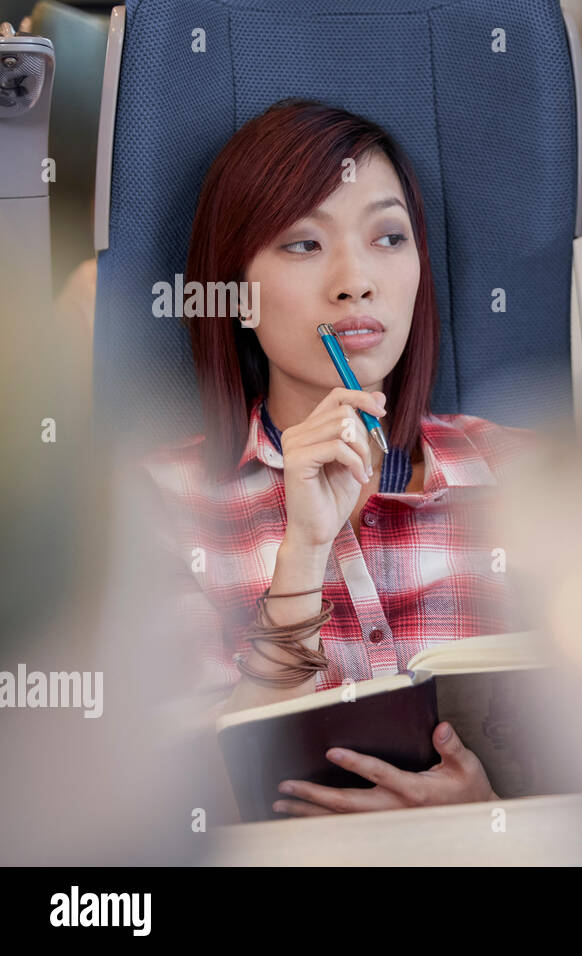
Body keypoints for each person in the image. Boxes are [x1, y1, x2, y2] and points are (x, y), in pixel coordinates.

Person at [141, 99, 535, 815]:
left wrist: (489, 809)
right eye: (303, 244)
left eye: (388, 237)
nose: (356, 280)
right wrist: (304, 553)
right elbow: (178, 809)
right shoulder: (156, 502)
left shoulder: (518, 473)